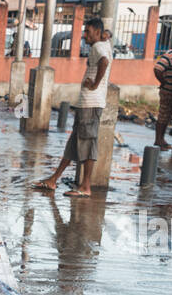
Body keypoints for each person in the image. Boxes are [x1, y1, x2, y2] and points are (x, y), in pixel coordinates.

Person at [32, 18, 112, 197]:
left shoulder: (98, 48)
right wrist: (107, 34)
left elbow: (104, 62)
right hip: (87, 104)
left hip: (91, 102)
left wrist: (95, 84)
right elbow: (109, 37)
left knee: (87, 143)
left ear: (98, 32)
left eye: (88, 32)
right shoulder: (106, 43)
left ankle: (85, 186)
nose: (85, 35)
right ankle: (53, 179)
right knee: (74, 143)